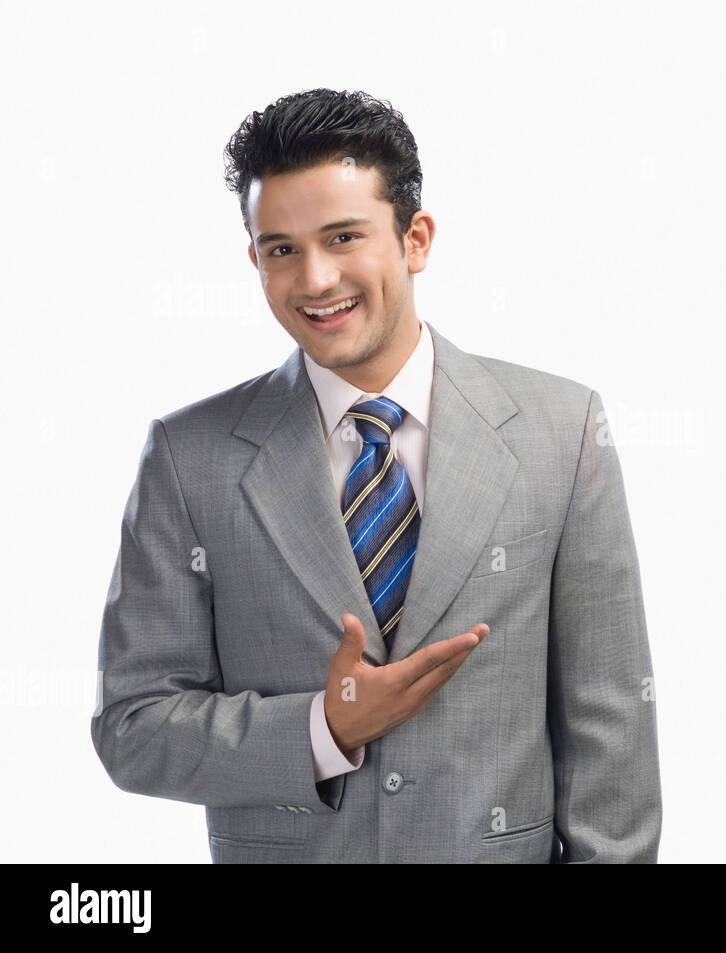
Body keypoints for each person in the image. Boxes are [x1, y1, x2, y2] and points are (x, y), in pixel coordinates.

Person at [90, 88, 662, 863]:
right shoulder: (190, 458)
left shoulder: (562, 432)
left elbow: (611, 732)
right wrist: (324, 729)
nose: (315, 279)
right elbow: (133, 727)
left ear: (415, 238)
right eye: (281, 248)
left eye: (343, 236)